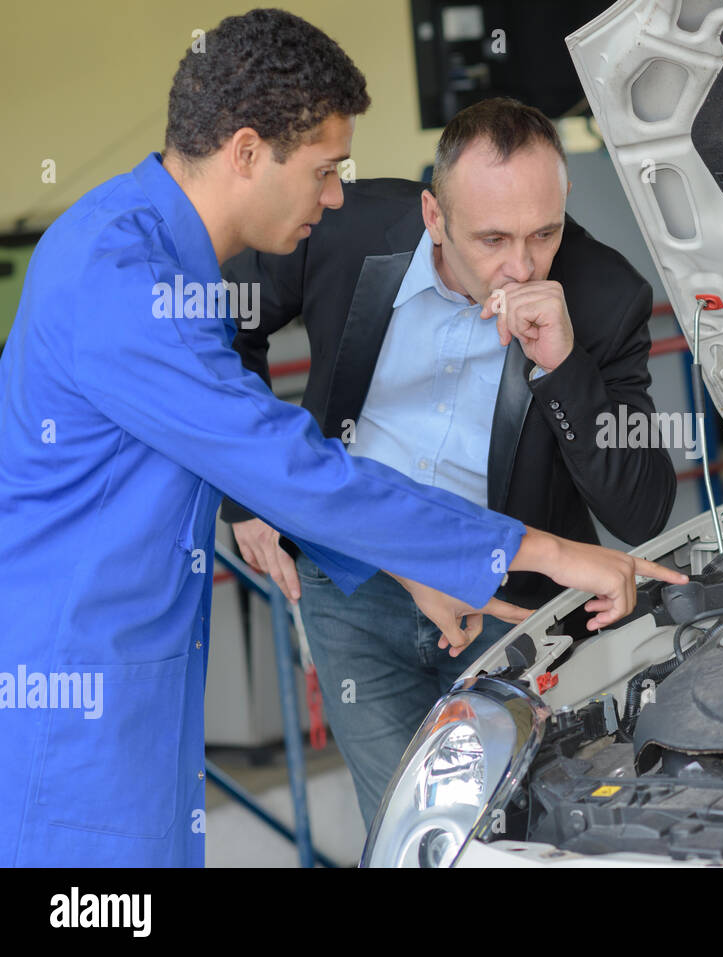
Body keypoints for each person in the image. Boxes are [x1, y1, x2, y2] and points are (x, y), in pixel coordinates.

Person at [0, 8, 684, 868]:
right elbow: (289, 465)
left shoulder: (156, 258)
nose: (336, 194)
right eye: (324, 169)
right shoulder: (122, 281)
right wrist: (542, 548)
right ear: (247, 152)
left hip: (137, 682)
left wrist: (423, 555)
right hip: (75, 711)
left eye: (541, 234)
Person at [221, 97, 677, 827]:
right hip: (353, 582)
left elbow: (642, 506)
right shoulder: (341, 226)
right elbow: (222, 326)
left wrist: (562, 365)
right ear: (434, 216)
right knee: (409, 828)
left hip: (509, 607)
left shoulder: (605, 295)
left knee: (522, 826)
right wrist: (245, 493)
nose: (521, 265)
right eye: (492, 238)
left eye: (544, 233)